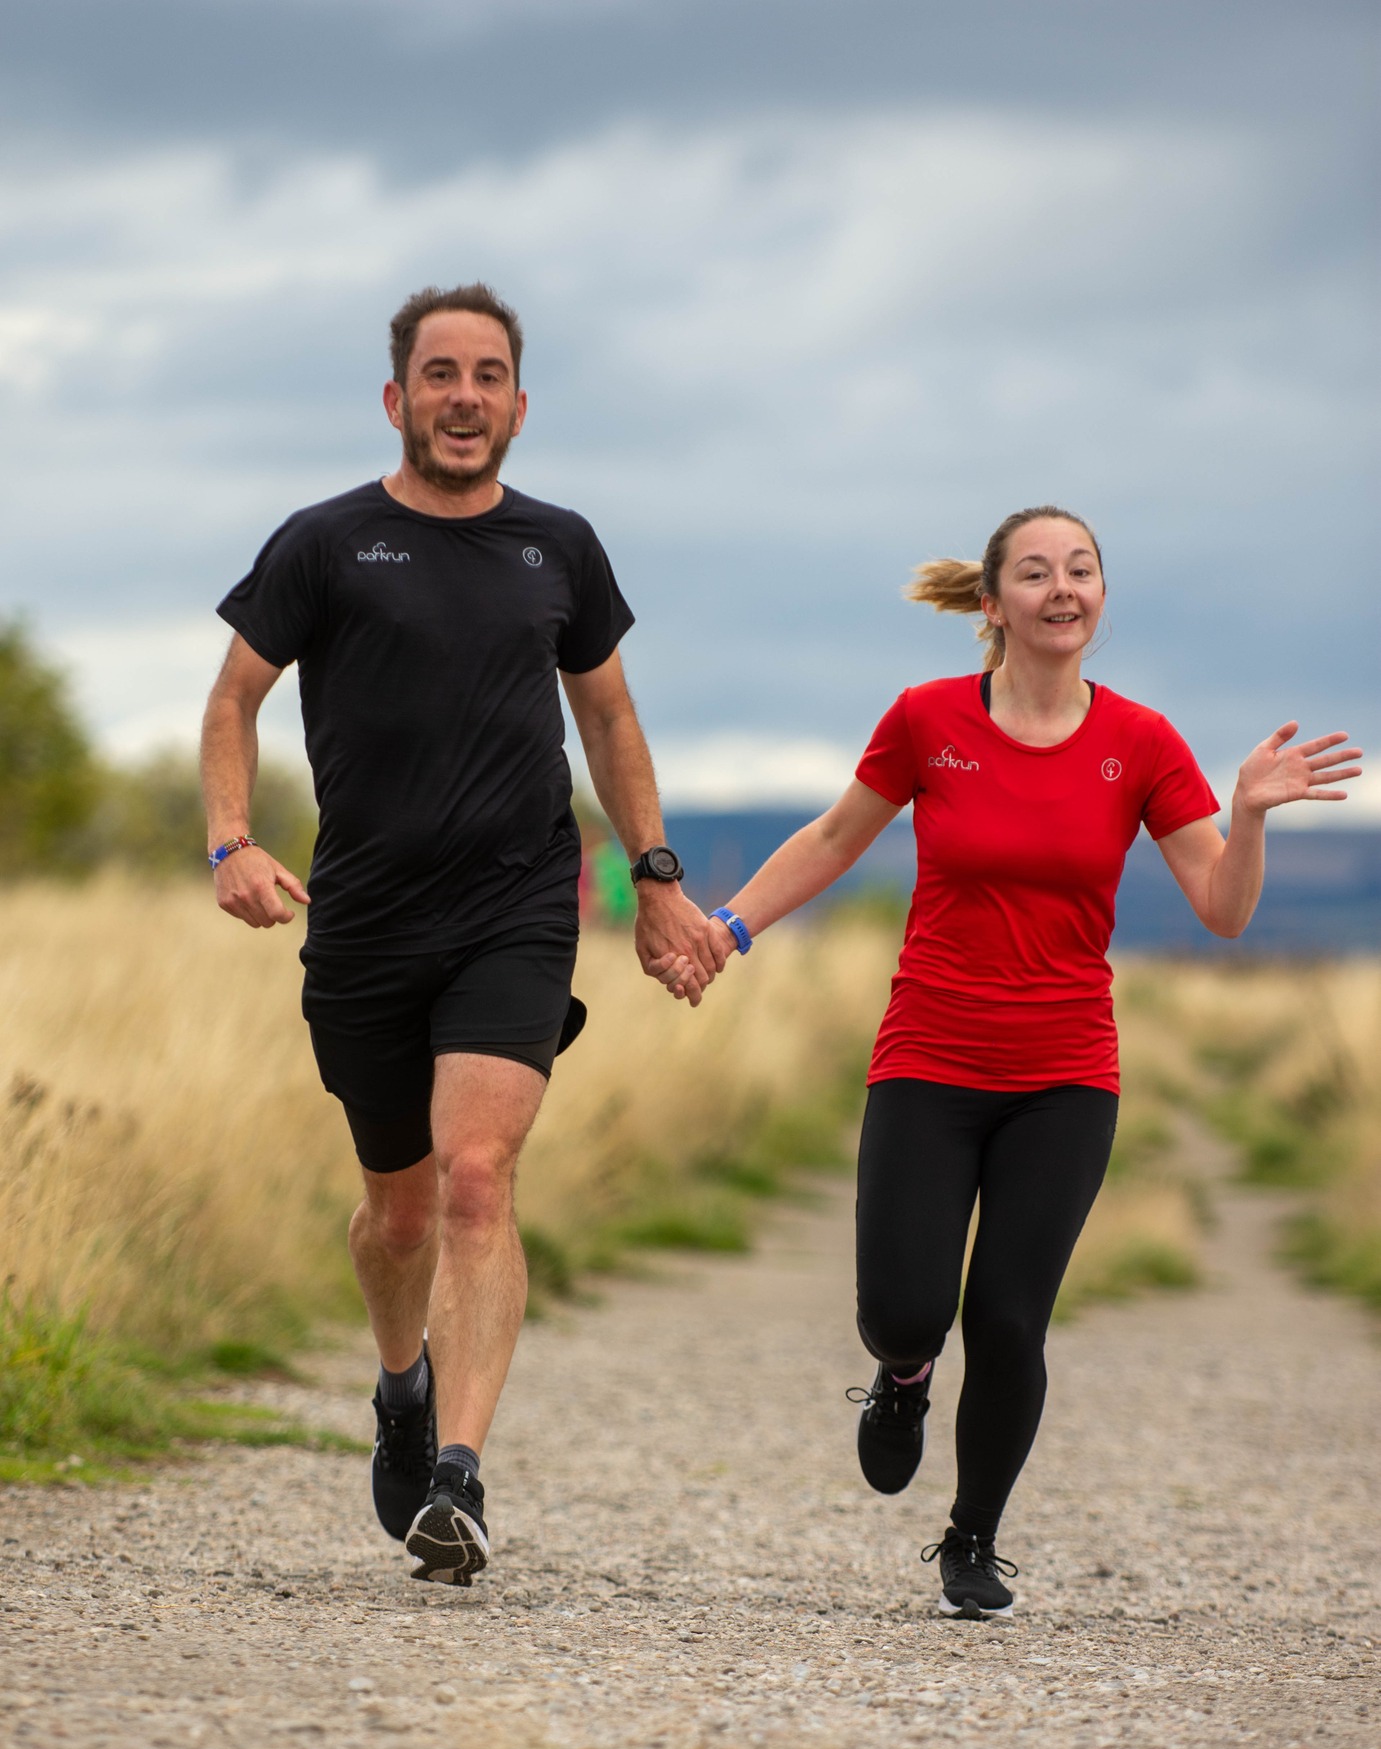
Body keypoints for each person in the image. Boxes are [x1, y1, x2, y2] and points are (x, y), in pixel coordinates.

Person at [653, 505, 1362, 1618]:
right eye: (1035, 573)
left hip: (1065, 1073)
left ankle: (971, 1538)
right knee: (904, 1308)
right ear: (992, 605)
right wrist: (726, 930)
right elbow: (836, 838)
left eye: (1081, 570)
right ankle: (901, 1375)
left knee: (1010, 1318)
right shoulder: (927, 719)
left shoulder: (1143, 742)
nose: (1062, 588)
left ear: (1100, 597)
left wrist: (1247, 814)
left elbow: (1222, 911)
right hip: (929, 1055)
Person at [202, 282, 716, 1584]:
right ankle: (397, 1388)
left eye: (488, 375)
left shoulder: (560, 549)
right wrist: (231, 841)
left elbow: (607, 721)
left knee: (477, 1178)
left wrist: (655, 879)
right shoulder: (324, 544)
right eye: (440, 374)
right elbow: (232, 702)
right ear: (397, 399)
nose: (464, 396)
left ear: (520, 405)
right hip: (367, 912)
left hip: (516, 902)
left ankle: (461, 1477)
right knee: (398, 1212)